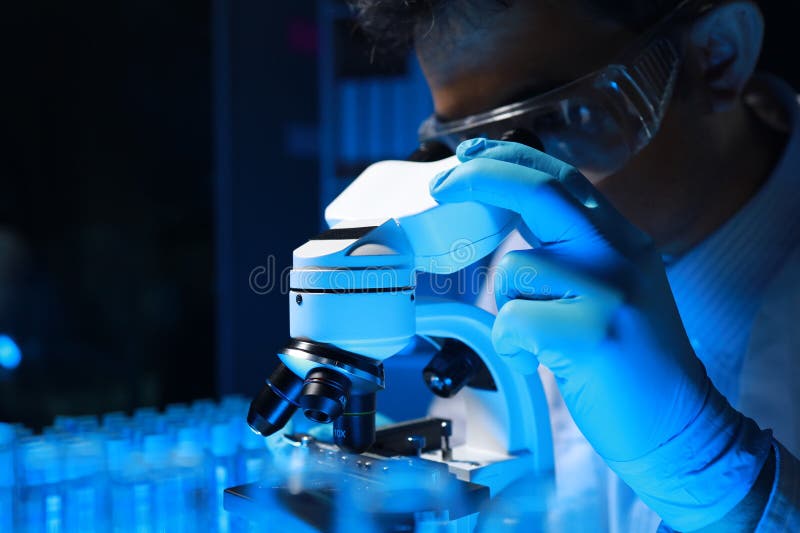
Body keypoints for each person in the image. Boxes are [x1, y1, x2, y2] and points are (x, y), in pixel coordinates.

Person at [350, 0, 799, 530]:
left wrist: (710, 473)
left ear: (717, 56)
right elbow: (482, 476)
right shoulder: (529, 248)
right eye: (466, 146)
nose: (512, 191)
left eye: (551, 122)